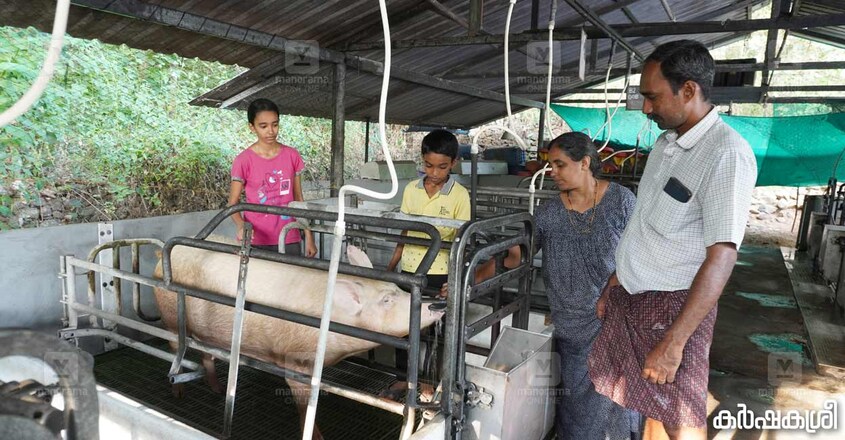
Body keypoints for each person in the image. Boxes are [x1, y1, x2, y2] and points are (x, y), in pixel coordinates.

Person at [588, 40, 757, 440]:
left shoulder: (725, 153)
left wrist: (674, 342)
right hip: (635, 296)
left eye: (652, 97)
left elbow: (722, 257)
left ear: (688, 90)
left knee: (681, 415)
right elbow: (646, 222)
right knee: (649, 400)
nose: (646, 108)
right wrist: (618, 277)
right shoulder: (666, 144)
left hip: (675, 308)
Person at [475, 132, 638, 440]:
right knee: (576, 398)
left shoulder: (621, 202)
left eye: (560, 165)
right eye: (551, 165)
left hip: (614, 314)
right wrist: (475, 275)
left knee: (617, 394)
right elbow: (519, 255)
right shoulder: (549, 213)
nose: (553, 172)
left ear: (585, 163)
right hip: (569, 320)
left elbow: (639, 255)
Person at [227, 98, 317, 257]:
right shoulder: (243, 160)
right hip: (256, 240)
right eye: (263, 126)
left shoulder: (292, 155)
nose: (271, 131)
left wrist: (309, 236)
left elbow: (298, 198)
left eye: (275, 124)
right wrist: (241, 226)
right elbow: (232, 204)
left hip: (289, 236)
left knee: (291, 279)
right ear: (252, 127)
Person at [386, 129, 470, 296]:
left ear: (453, 163)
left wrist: (456, 278)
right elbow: (405, 231)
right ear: (423, 160)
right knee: (406, 319)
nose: (434, 173)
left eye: (442, 167)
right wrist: (390, 268)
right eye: (428, 165)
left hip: (441, 273)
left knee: (435, 319)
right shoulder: (411, 189)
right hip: (409, 268)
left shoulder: (460, 195)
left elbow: (462, 240)